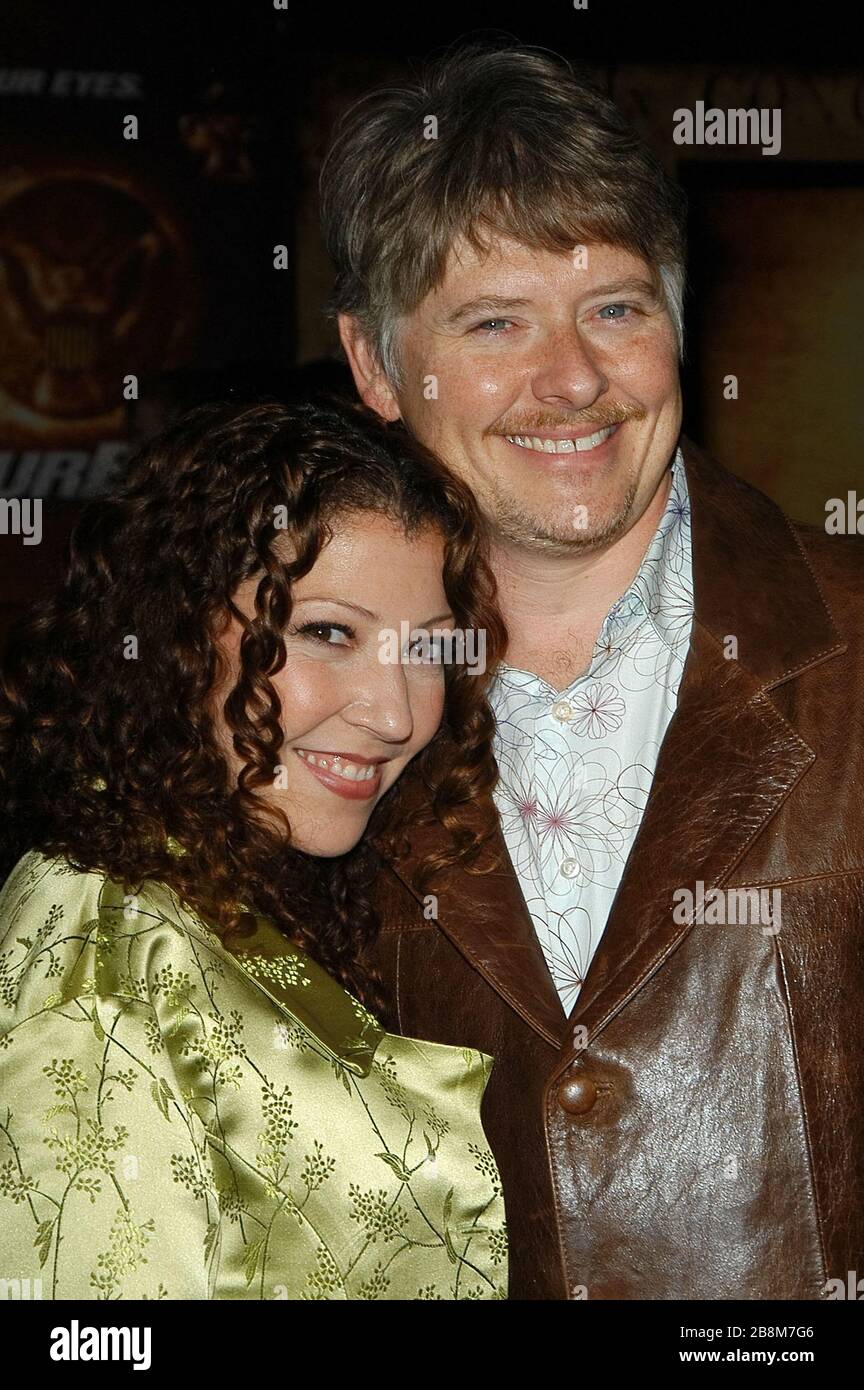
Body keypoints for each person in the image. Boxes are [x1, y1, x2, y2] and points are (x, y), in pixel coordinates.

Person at [319, 42, 864, 1299]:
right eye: (495, 322)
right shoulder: (307, 720)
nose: (574, 380)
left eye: (615, 308)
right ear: (373, 367)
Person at [0, 396, 509, 1300]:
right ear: (176, 629)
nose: (396, 714)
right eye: (327, 633)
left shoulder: (281, 891)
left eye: (427, 650)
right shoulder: (92, 941)